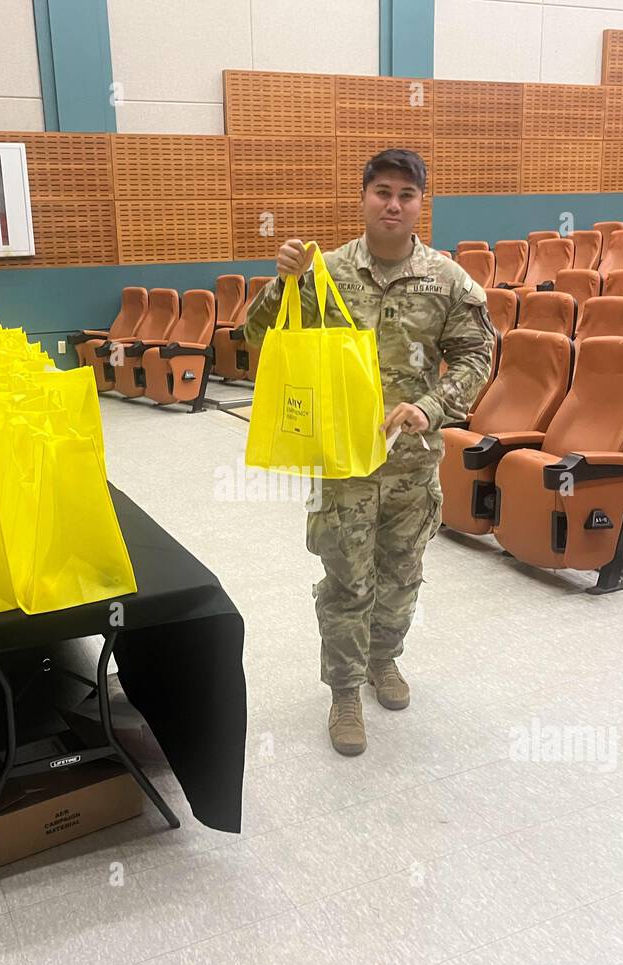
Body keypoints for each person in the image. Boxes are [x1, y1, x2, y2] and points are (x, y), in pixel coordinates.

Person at [242, 148, 495, 756]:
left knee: (402, 574)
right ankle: (345, 691)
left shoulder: (447, 279)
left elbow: (477, 357)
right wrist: (283, 284)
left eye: (406, 195)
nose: (393, 204)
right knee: (346, 582)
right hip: (343, 463)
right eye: (382, 191)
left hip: (411, 462)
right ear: (363, 198)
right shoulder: (324, 270)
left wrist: (429, 408)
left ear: (420, 206)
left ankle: (386, 661)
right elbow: (258, 337)